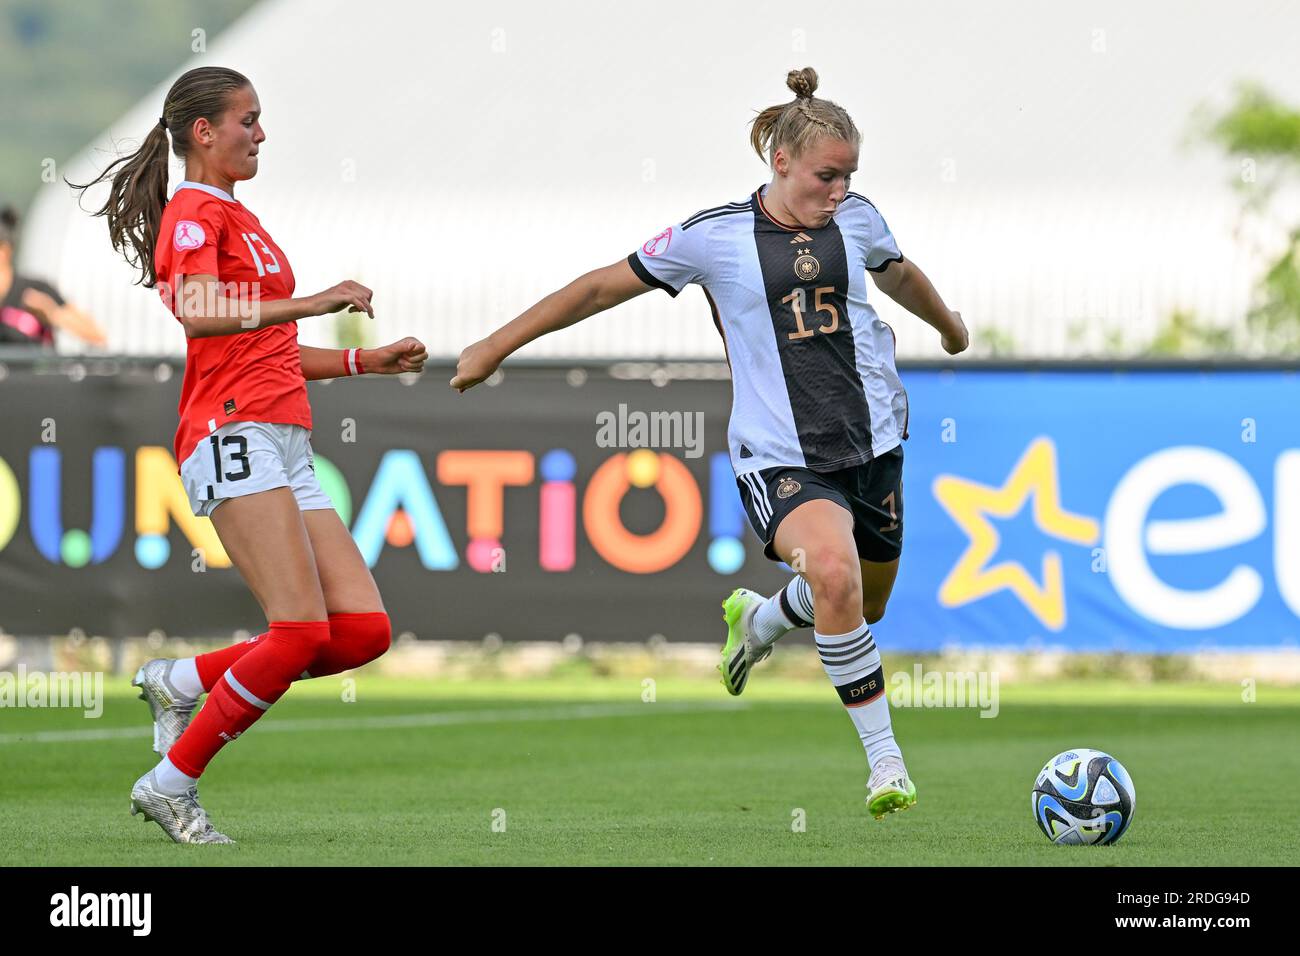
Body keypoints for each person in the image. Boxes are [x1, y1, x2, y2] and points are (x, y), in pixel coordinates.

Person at [451, 67, 968, 819]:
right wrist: (496, 345)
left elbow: (900, 273)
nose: (839, 189)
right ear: (781, 161)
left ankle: (757, 621)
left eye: (850, 174)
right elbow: (600, 286)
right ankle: (885, 763)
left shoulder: (858, 218)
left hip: (876, 441)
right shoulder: (714, 236)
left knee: (862, 604)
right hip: (781, 454)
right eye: (827, 174)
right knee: (832, 572)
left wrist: (948, 324)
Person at [71, 66, 429, 844]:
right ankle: (171, 785)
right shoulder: (195, 214)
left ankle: (181, 680)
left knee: (362, 630)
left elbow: (270, 348)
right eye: (249, 120)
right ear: (205, 132)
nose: (261, 133)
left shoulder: (241, 217)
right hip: (232, 434)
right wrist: (315, 299)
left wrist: (368, 363)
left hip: (283, 438)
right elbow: (199, 314)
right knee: (297, 633)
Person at [0, 204, 107, 347]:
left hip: (31, 369)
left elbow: (96, 334)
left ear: (5, 251)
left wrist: (52, 314)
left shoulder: (34, 291)